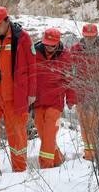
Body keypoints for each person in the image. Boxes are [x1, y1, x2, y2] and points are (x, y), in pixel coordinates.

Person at [0, 6, 34, 175]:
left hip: (14, 97)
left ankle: (20, 172)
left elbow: (33, 67)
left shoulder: (22, 37)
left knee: (17, 135)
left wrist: (32, 93)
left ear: (6, 21)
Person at [30, 27, 72, 169]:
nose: (48, 47)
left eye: (52, 45)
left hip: (56, 101)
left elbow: (70, 79)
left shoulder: (66, 56)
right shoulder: (34, 52)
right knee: (42, 132)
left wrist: (70, 99)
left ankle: (46, 166)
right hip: (38, 100)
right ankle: (58, 158)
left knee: (49, 132)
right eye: (46, 44)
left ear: (58, 43)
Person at [70, 22, 99, 162]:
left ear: (96, 36)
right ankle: (88, 154)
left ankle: (95, 152)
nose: (89, 39)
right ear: (83, 36)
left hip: (95, 93)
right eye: (87, 37)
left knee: (94, 124)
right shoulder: (75, 49)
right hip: (80, 92)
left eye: (91, 37)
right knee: (83, 123)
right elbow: (69, 69)